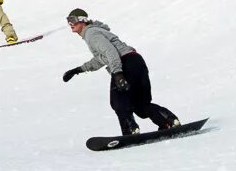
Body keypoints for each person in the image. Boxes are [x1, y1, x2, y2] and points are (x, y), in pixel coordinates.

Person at [60, 9, 180, 137]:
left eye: (72, 20)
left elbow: (111, 52)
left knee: (118, 102)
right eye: (68, 20)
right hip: (136, 62)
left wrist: (117, 73)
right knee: (140, 104)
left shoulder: (90, 33)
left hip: (125, 63)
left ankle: (130, 131)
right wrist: (78, 70)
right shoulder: (96, 32)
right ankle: (168, 121)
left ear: (83, 20)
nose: (70, 24)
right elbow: (101, 58)